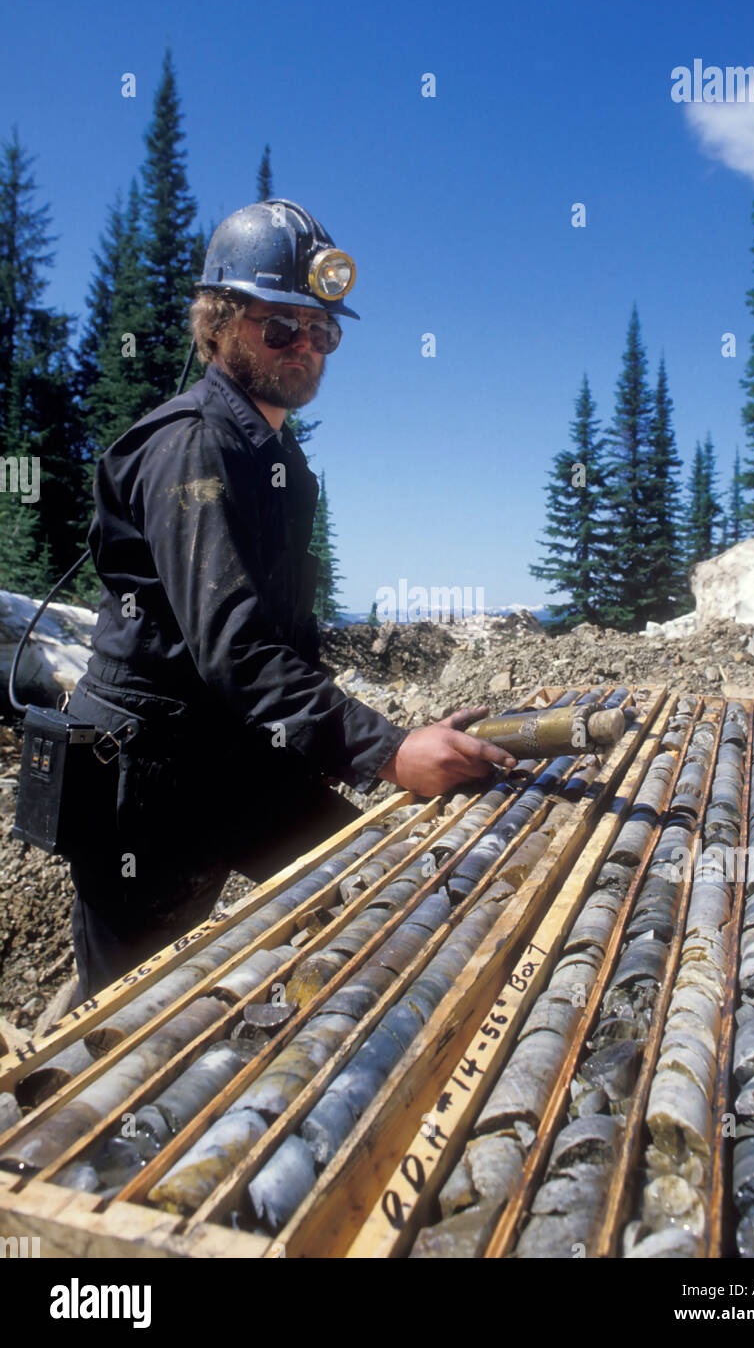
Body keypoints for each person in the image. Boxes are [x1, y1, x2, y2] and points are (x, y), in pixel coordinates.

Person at [64, 198, 514, 1003]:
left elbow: (279, 645)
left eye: (323, 331)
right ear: (219, 323)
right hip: (144, 779)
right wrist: (384, 752)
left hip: (233, 754)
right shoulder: (194, 444)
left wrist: (389, 738)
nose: (305, 347)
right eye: (281, 328)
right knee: (121, 1026)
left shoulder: (272, 455)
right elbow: (233, 645)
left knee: (376, 889)